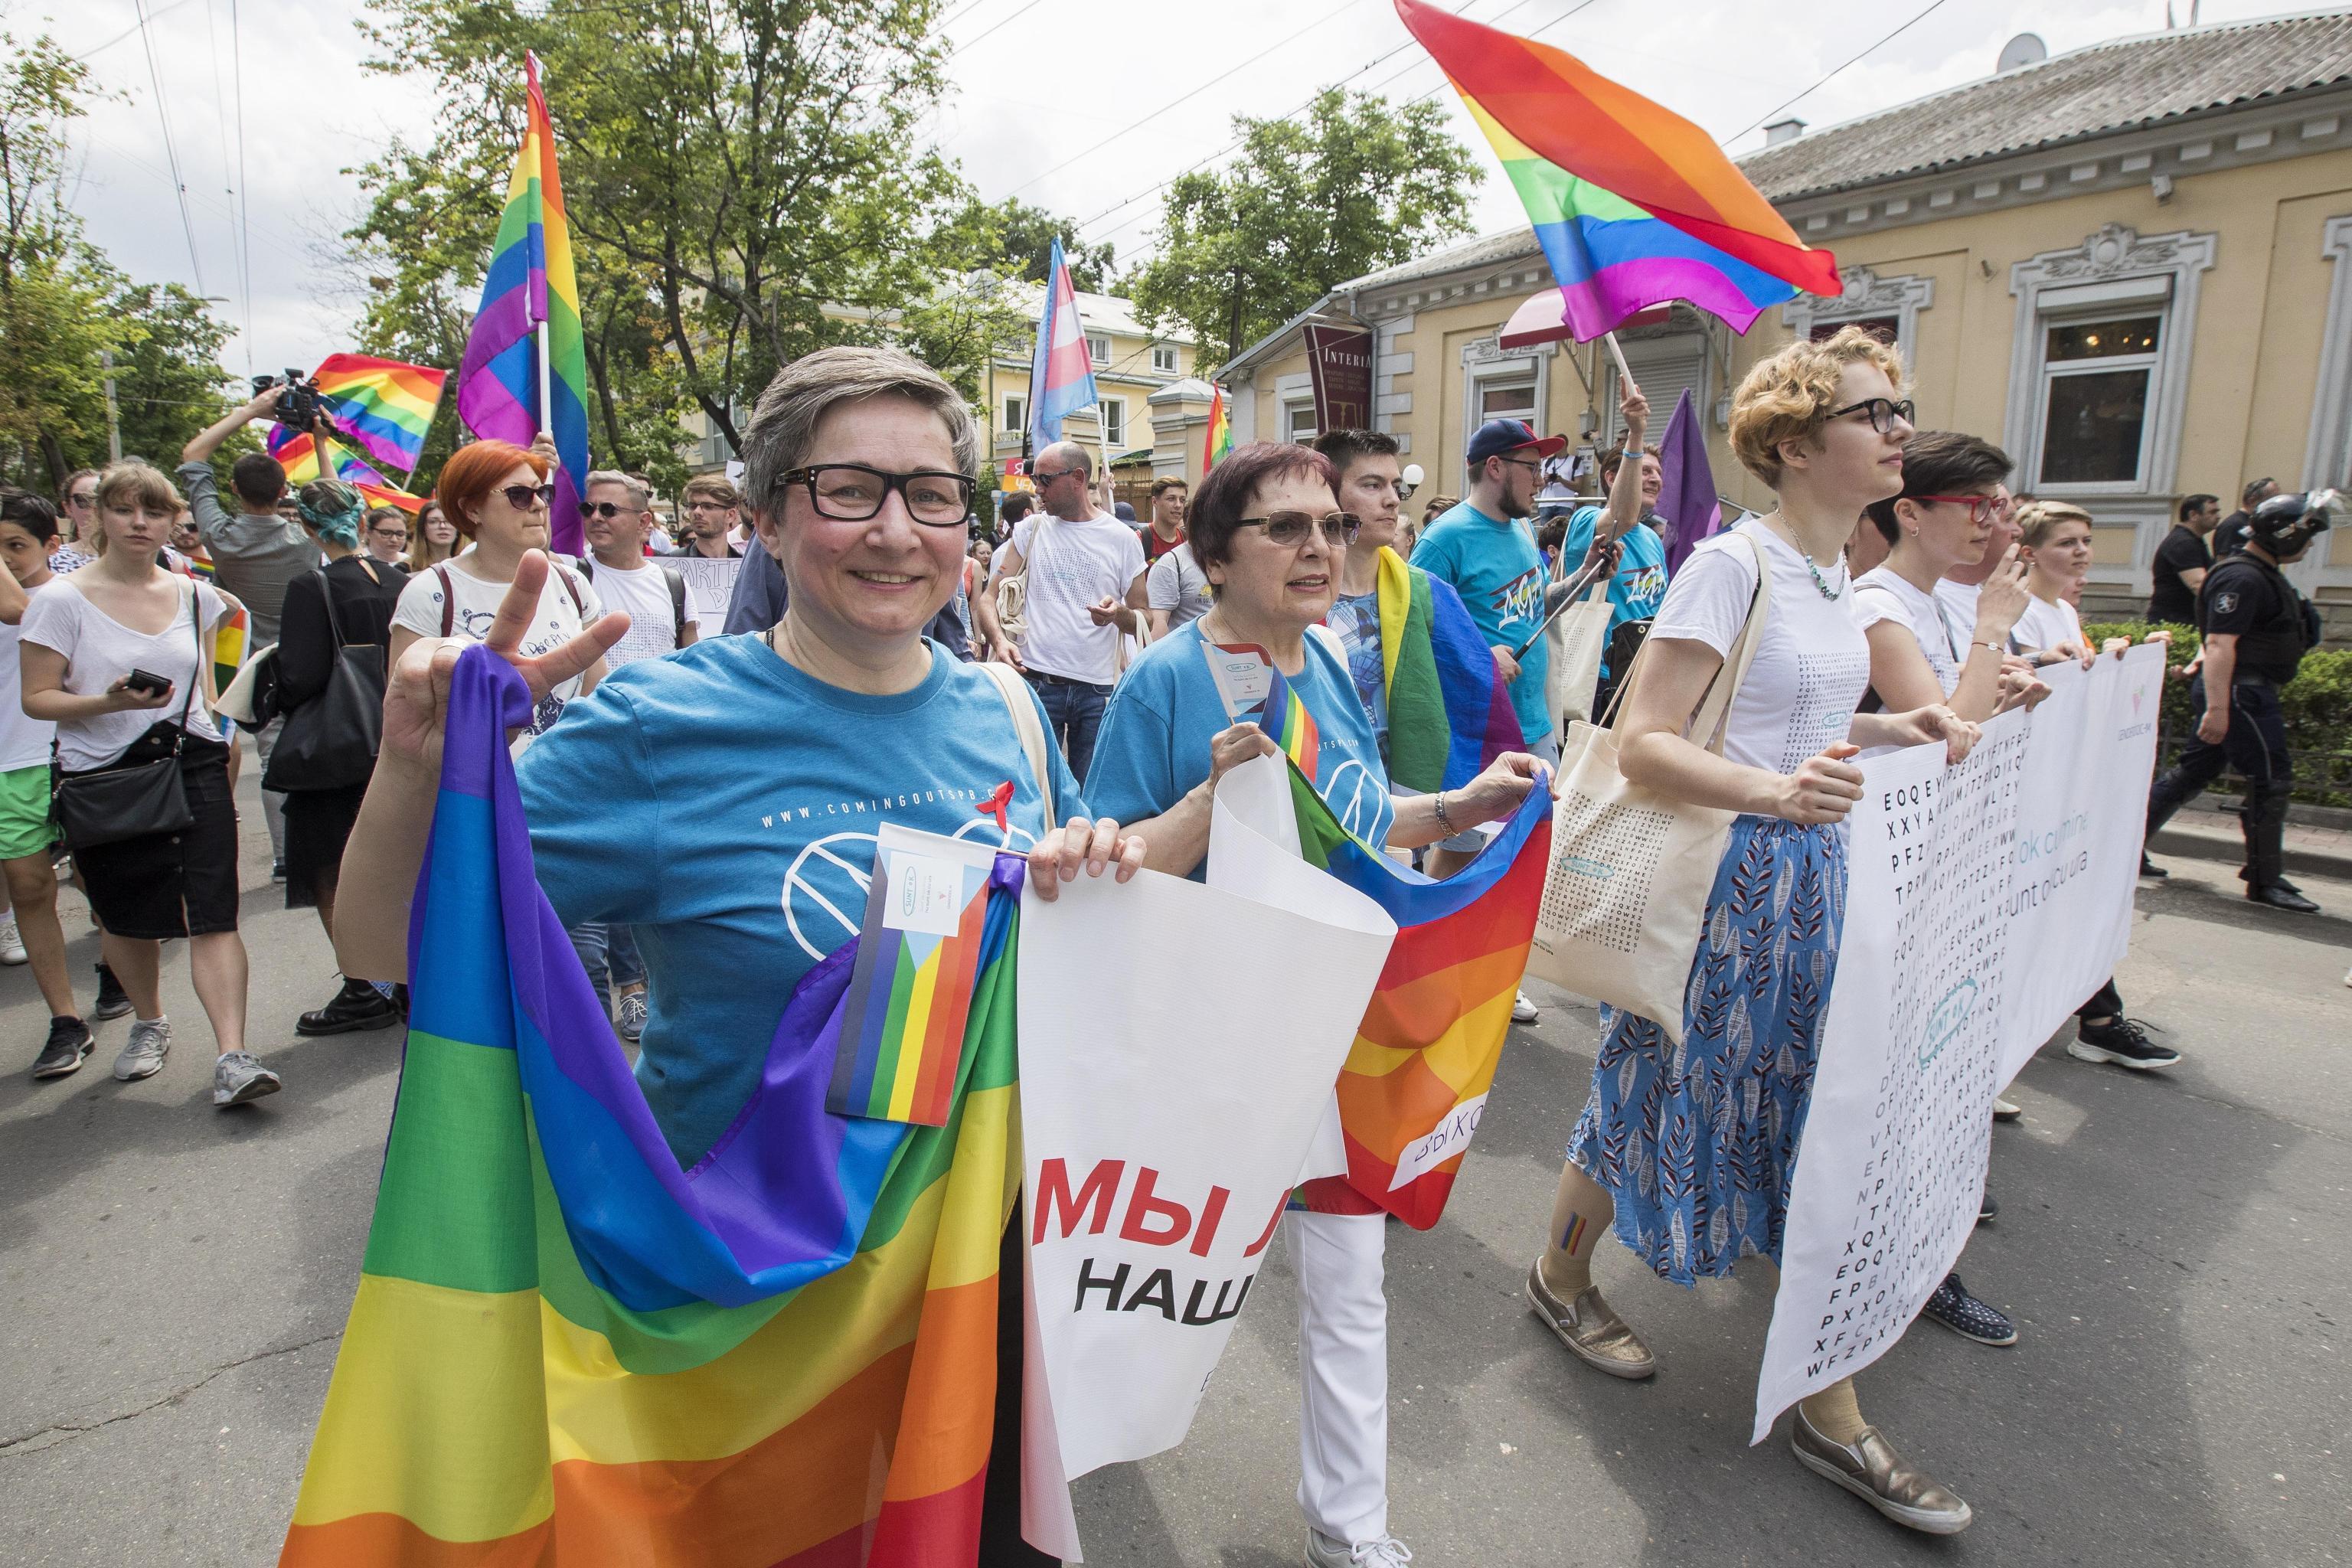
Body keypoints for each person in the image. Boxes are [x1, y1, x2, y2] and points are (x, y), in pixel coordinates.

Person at [335, 345, 1147, 1566]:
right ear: (765, 516)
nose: (895, 530)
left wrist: (1092, 862)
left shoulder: (1011, 711)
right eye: (847, 489)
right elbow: (386, 942)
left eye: (932, 496)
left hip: (971, 1277)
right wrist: (415, 762)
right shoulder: (658, 727)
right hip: (747, 1295)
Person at [1527, 328, 1982, 1535]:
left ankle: (1598, 1291)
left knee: (1787, 1110)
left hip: (1812, 884)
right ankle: (1813, 1402)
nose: (1897, 429)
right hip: (1723, 883)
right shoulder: (1734, 565)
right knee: (1661, 1086)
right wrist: (1776, 794)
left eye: (1899, 409)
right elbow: (1648, 741)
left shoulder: (1842, 575)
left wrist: (1896, 734)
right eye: (1873, 412)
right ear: (1794, 444)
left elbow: (1809, 728)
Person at [1085, 439, 1540, 1568]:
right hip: (1207, 1038)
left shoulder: (1330, 658)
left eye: (1330, 526)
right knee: (1151, 1279)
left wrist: (1465, 801)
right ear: (1211, 556)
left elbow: (1358, 809)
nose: (1321, 547)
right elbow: (1110, 868)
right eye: (1284, 528)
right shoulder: (1166, 679)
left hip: (1339, 1023)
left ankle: (1352, 1530)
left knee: (1349, 1278)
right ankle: (1074, 1437)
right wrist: (1208, 796)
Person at [19, 460, 278, 1107]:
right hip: (106, 776)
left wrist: (222, 738)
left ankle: (233, 1056)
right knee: (127, 917)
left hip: (192, 762)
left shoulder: (199, 595)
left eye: (156, 512)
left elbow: (213, 683)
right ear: (97, 515)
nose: (141, 524)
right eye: (127, 510)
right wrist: (107, 703)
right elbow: (36, 699)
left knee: (214, 913)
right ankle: (149, 1020)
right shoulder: (59, 601)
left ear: (170, 522)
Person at [2144, 491, 2333, 914]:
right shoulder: (2242, 578)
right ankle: (2265, 881)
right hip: (2240, 693)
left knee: (2194, 772)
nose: (2309, 545)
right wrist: (2219, 708)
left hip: (2242, 691)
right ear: (2284, 535)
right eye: (2306, 536)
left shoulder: (2259, 573)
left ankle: (2126, 847)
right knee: (2271, 779)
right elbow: (2219, 643)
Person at [572, 469, 712, 1040]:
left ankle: (634, 991)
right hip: (588, 744)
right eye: (588, 509)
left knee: (640, 867)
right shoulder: (571, 578)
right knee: (590, 872)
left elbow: (693, 658)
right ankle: (582, 1002)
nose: (596, 519)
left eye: (609, 509)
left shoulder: (674, 582)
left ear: (644, 522)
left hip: (659, 747)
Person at [273, 479, 407, 1037]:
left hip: (337, 753)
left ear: (305, 526)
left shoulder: (313, 587)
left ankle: (364, 986)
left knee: (335, 871)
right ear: (361, 519)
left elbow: (300, 676)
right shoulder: (403, 581)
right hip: (399, 744)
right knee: (401, 869)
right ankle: (402, 979)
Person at [181, 390, 323, 882]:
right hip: (315, 656)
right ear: (284, 488)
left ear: (236, 492)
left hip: (258, 664)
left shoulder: (220, 539)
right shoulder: (306, 538)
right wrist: (319, 438)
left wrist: (248, 412)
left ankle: (286, 856)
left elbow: (193, 456)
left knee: (272, 757)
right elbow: (333, 498)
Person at [1410, 420, 1562, 881]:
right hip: (1475, 735)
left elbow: (1533, 606)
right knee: (1458, 858)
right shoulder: (1444, 539)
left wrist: (1588, 573)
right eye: (1532, 468)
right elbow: (1409, 629)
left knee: (1533, 850)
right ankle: (1429, 941)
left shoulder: (1522, 530)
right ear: (1495, 467)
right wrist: (1480, 657)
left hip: (1535, 725)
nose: (1542, 480)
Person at [390, 439, 608, 744]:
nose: (539, 505)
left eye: (544, 493)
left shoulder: (572, 583)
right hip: (471, 783)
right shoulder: (430, 592)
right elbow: (407, 721)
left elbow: (594, 701)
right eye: (518, 494)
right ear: (472, 509)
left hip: (563, 779)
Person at [1, 492, 98, 1080]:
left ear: (51, 547)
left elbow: (17, 609)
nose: (7, 558)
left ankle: (120, 967)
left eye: (15, 546)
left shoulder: (59, 599)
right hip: (9, 769)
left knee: (95, 875)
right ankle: (66, 1020)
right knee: (29, 886)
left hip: (64, 757)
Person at [979, 441, 1145, 779]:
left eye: (1045, 480)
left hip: (1097, 690)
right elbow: (988, 597)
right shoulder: (1030, 529)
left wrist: (1118, 615)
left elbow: (1147, 617)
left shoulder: (1123, 539)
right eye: (1035, 480)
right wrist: (998, 641)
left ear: (1078, 478)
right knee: (1038, 788)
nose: (1037, 489)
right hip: (1037, 681)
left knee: (1091, 792)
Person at [1559, 384, 1670, 717]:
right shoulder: (1586, 521)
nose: (1655, 479)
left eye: (1659, 473)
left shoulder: (1652, 538)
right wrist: (1636, 435)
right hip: (1600, 681)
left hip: (1646, 678)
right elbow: (1620, 516)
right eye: (1645, 471)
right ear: (1611, 477)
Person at [2009, 501, 2096, 664]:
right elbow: (2031, 675)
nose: (2082, 550)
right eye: (2067, 543)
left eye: (2086, 541)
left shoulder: (2066, 608)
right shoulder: (2021, 611)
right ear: (2029, 554)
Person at [2149, 493, 2219, 625]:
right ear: (2193, 515)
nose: (2218, 516)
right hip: (2173, 622)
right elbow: (2198, 585)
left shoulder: (2192, 540)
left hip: (2181, 620)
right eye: (2212, 512)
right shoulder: (2183, 542)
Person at [2212, 476, 2280, 558]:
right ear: (2252, 501)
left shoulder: (2256, 524)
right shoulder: (2233, 525)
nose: (2276, 505)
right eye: (2271, 500)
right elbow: (2223, 561)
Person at [679, 476, 745, 560]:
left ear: (730, 515)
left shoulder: (744, 567)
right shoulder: (670, 565)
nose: (697, 512)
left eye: (708, 506)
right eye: (693, 506)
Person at [51, 469, 99, 573]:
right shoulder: (53, 559)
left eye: (100, 499)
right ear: (68, 507)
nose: (94, 506)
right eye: (84, 500)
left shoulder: (136, 554)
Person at [1138, 475, 1187, 564]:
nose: (1178, 505)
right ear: (1154, 502)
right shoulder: (1140, 540)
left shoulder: (1188, 541)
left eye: (1182, 500)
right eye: (1171, 499)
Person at [403, 501, 459, 573]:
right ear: (423, 529)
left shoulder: (467, 568)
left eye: (449, 521)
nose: (443, 526)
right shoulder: (405, 569)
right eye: (433, 522)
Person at [361, 506, 411, 570]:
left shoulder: (409, 563)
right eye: (386, 533)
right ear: (368, 532)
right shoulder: (358, 562)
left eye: (400, 534)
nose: (394, 540)